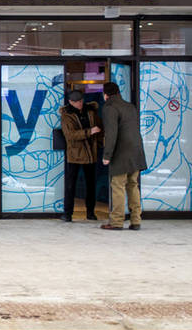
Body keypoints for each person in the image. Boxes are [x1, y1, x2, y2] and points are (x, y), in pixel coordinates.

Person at [99, 82, 147, 231]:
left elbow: (111, 133)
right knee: (133, 185)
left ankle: (117, 222)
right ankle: (136, 220)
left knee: (118, 186)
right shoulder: (130, 106)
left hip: (121, 152)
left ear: (105, 94)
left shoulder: (110, 108)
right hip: (136, 151)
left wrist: (107, 155)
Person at [59, 88, 101, 222]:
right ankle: (67, 213)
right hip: (75, 154)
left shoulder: (91, 110)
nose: (79, 104)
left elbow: (99, 128)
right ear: (70, 102)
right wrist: (89, 132)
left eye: (81, 100)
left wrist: (99, 140)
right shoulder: (66, 115)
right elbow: (70, 135)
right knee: (71, 185)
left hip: (90, 154)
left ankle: (90, 212)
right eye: (76, 102)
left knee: (91, 185)